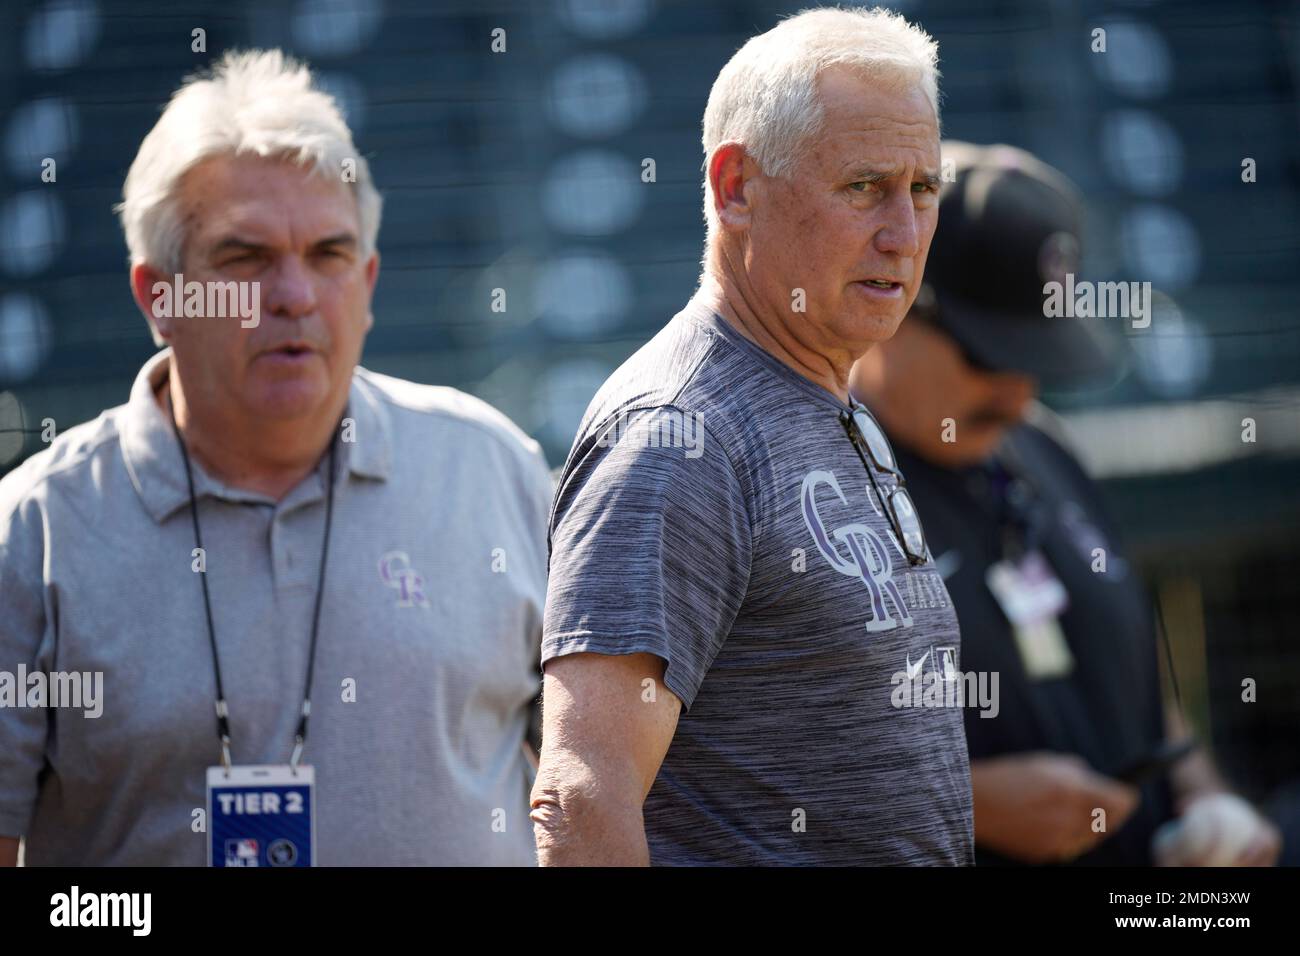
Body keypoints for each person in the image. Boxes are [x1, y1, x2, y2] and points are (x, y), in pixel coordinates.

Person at [0, 50, 552, 866]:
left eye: (328, 254)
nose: (293, 294)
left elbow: (603, 785)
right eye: (245, 259)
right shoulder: (34, 532)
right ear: (160, 296)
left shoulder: (494, 474)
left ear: (366, 281)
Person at [531, 7, 972, 865]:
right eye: (863, 186)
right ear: (736, 187)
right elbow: (582, 798)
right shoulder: (679, 436)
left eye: (923, 189)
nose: (905, 232)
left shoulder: (822, 389)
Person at [850, 140, 1282, 866]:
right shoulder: (809, 488)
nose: (1019, 392)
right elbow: (735, 772)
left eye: (1038, 358)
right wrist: (967, 802)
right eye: (990, 354)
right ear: (889, 304)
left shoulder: (1041, 444)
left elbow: (1136, 678)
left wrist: (1205, 796)